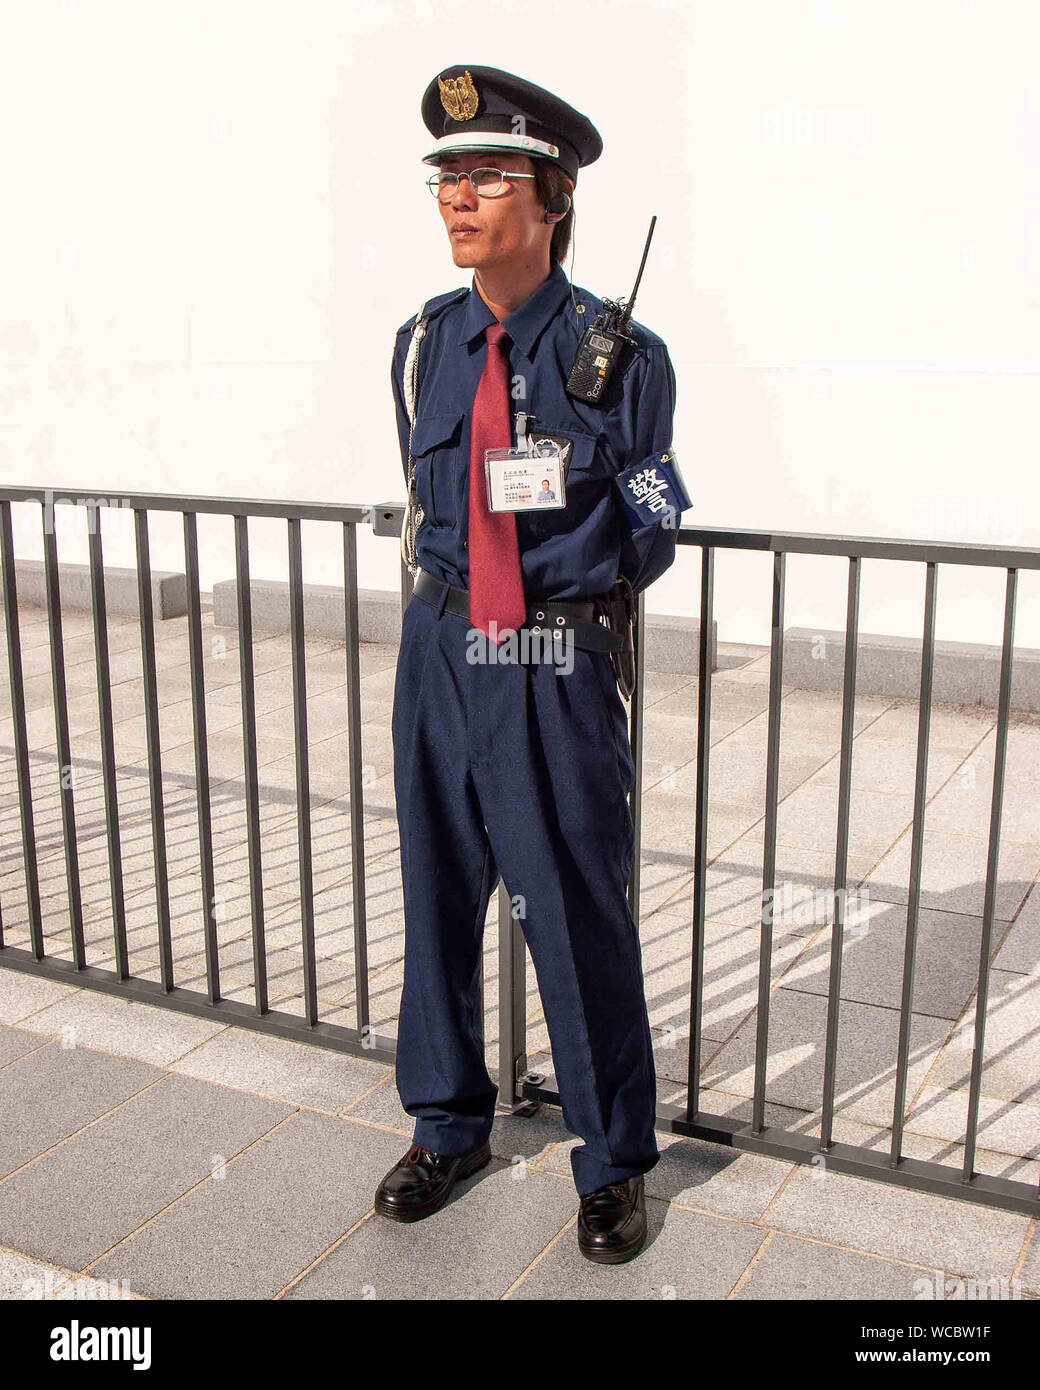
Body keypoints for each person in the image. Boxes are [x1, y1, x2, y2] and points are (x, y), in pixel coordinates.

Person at [375, 64, 688, 1264]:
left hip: (552, 653)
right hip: (441, 643)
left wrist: (572, 568)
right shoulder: (423, 343)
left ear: (549, 198)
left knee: (571, 908)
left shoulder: (622, 353)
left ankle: (612, 1160)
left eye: (485, 177)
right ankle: (445, 1121)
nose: (458, 198)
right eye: (446, 177)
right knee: (437, 890)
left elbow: (658, 503)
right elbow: (422, 485)